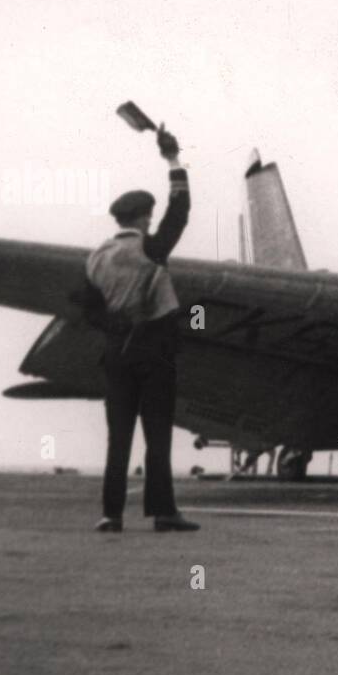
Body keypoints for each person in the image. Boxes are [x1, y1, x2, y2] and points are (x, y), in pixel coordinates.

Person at [83, 124, 199, 533]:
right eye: (150, 215)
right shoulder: (149, 249)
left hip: (115, 353)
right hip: (153, 352)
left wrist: (111, 320)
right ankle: (163, 513)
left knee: (118, 438)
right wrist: (172, 159)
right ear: (145, 218)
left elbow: (83, 303)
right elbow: (181, 212)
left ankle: (111, 514)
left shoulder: (97, 256)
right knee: (157, 436)